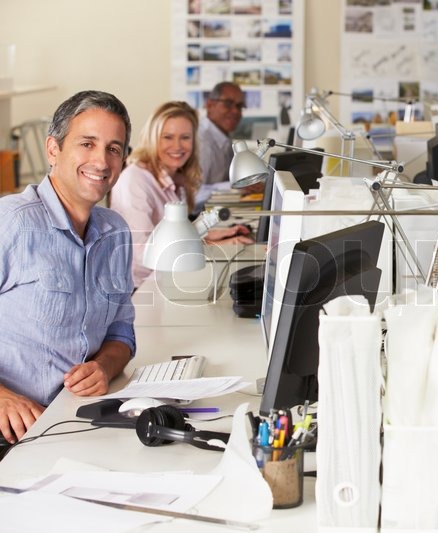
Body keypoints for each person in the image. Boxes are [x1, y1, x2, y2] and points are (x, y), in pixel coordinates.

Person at [0, 91, 136, 443]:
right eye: (87, 144)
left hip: (75, 419)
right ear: (53, 149)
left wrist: (103, 367)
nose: (101, 161)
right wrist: (2, 397)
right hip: (14, 433)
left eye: (113, 148)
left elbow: (121, 332)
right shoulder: (12, 222)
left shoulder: (116, 231)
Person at [110, 101, 253, 288]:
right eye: (168, 137)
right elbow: (143, 253)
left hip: (167, 279)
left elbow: (171, 239)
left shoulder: (175, 178)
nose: (177, 146)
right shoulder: (135, 180)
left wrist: (213, 236)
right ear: (153, 138)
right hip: (142, 288)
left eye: (185, 137)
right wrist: (211, 247)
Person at [195, 81, 246, 212]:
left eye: (239, 106)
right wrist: (235, 186)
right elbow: (194, 194)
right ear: (210, 105)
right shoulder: (202, 142)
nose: (235, 111)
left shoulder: (224, 138)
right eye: (228, 104)